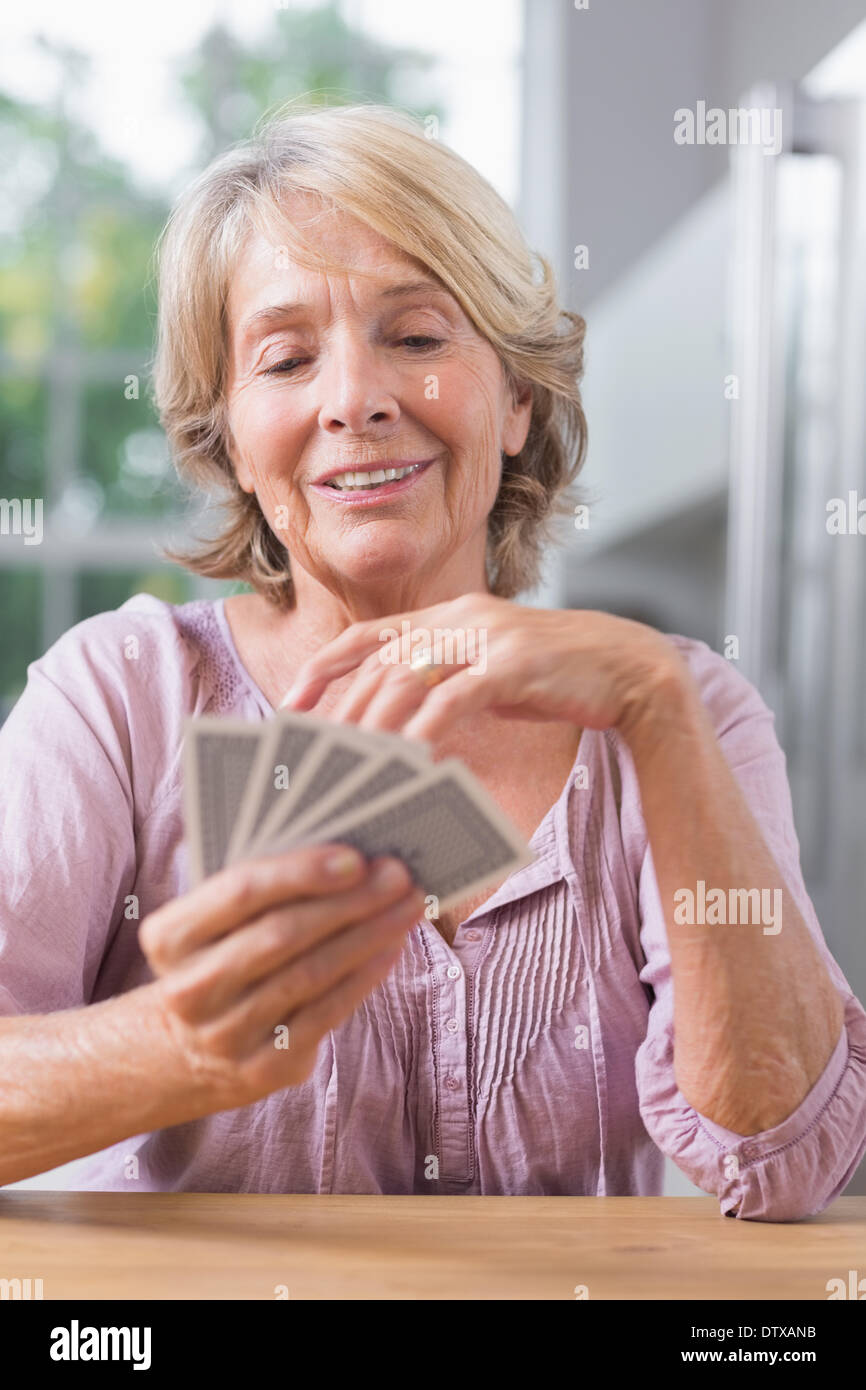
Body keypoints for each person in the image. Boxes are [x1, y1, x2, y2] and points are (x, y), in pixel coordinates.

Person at [1, 103, 863, 1219]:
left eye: (415, 337)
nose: (354, 399)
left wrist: (654, 708)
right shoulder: (123, 698)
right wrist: (186, 1046)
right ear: (227, 439)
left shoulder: (686, 705)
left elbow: (785, 1161)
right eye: (285, 357)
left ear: (514, 399)